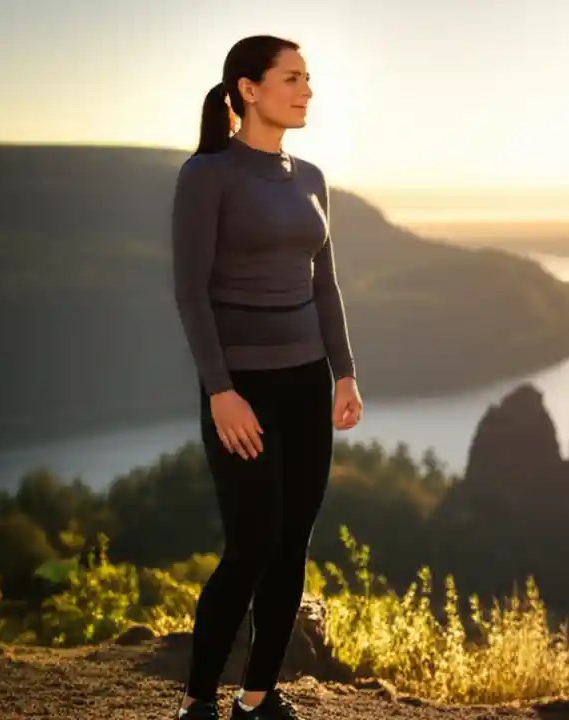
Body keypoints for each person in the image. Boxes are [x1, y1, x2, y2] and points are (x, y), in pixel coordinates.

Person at [170, 34, 363, 720]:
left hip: (308, 380)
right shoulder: (207, 175)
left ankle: (258, 696)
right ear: (248, 89)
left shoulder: (311, 178)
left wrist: (344, 374)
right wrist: (220, 392)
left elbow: (326, 285)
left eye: (308, 78)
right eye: (292, 78)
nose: (306, 90)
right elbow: (192, 294)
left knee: (292, 543)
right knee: (252, 542)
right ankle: (197, 701)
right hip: (240, 390)